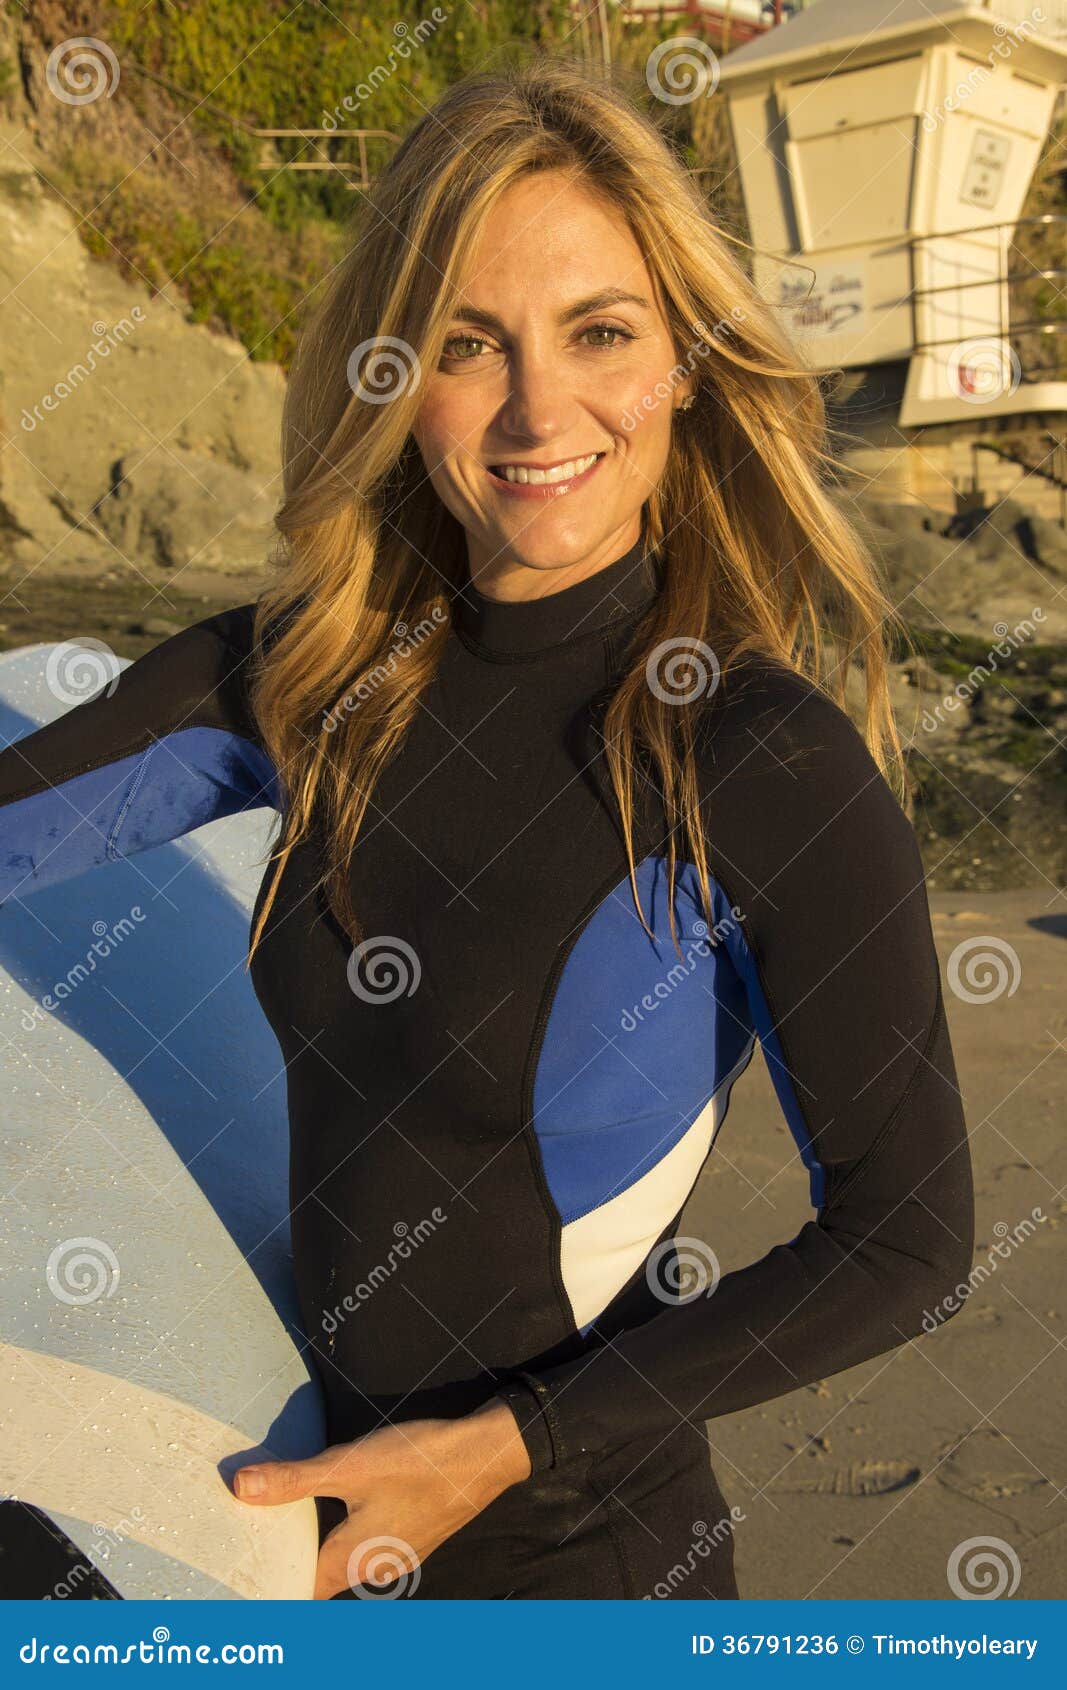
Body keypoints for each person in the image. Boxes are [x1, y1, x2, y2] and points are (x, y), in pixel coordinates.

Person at [0, 58, 974, 1601]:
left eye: (601, 332)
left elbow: (910, 1241)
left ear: (685, 367)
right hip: (313, 1537)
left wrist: (498, 1448)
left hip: (589, 1560)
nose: (536, 408)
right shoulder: (310, 679)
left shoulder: (758, 759)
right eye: (469, 343)